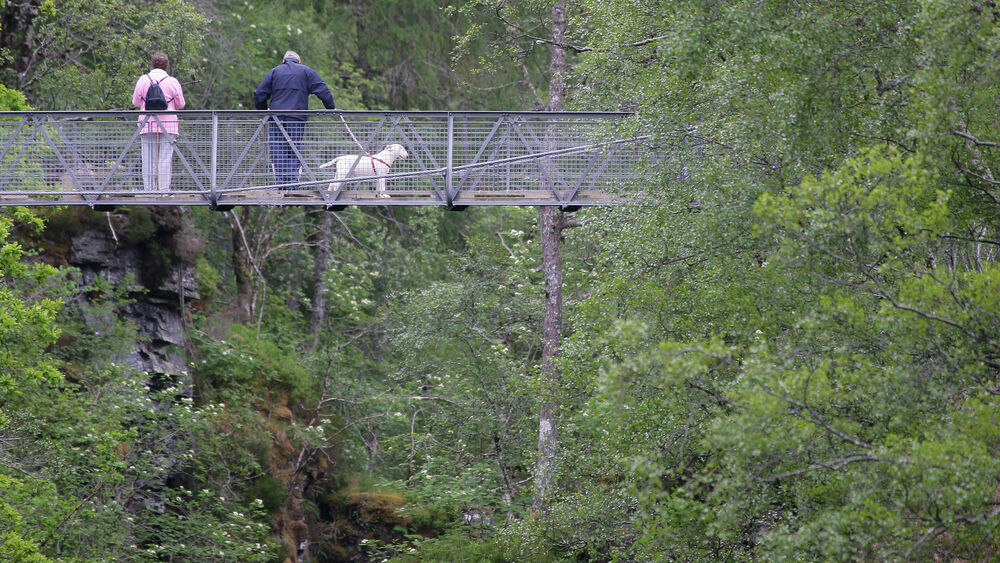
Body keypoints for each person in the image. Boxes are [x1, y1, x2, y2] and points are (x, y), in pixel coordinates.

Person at [254, 50, 336, 187]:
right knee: (294, 149)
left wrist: (263, 112)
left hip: (276, 118)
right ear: (299, 61)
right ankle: (292, 183)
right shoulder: (306, 72)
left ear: (283, 60)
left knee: (277, 149)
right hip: (296, 118)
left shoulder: (275, 72)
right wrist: (331, 108)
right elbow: (322, 89)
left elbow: (259, 93)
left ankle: (280, 184)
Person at [132, 52, 185, 191]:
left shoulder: (143, 79)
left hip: (147, 123)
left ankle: (149, 190)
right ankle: (163, 189)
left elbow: (136, 102)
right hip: (169, 124)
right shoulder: (172, 81)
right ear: (166, 66)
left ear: (152, 64)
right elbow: (181, 104)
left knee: (148, 159)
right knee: (165, 158)